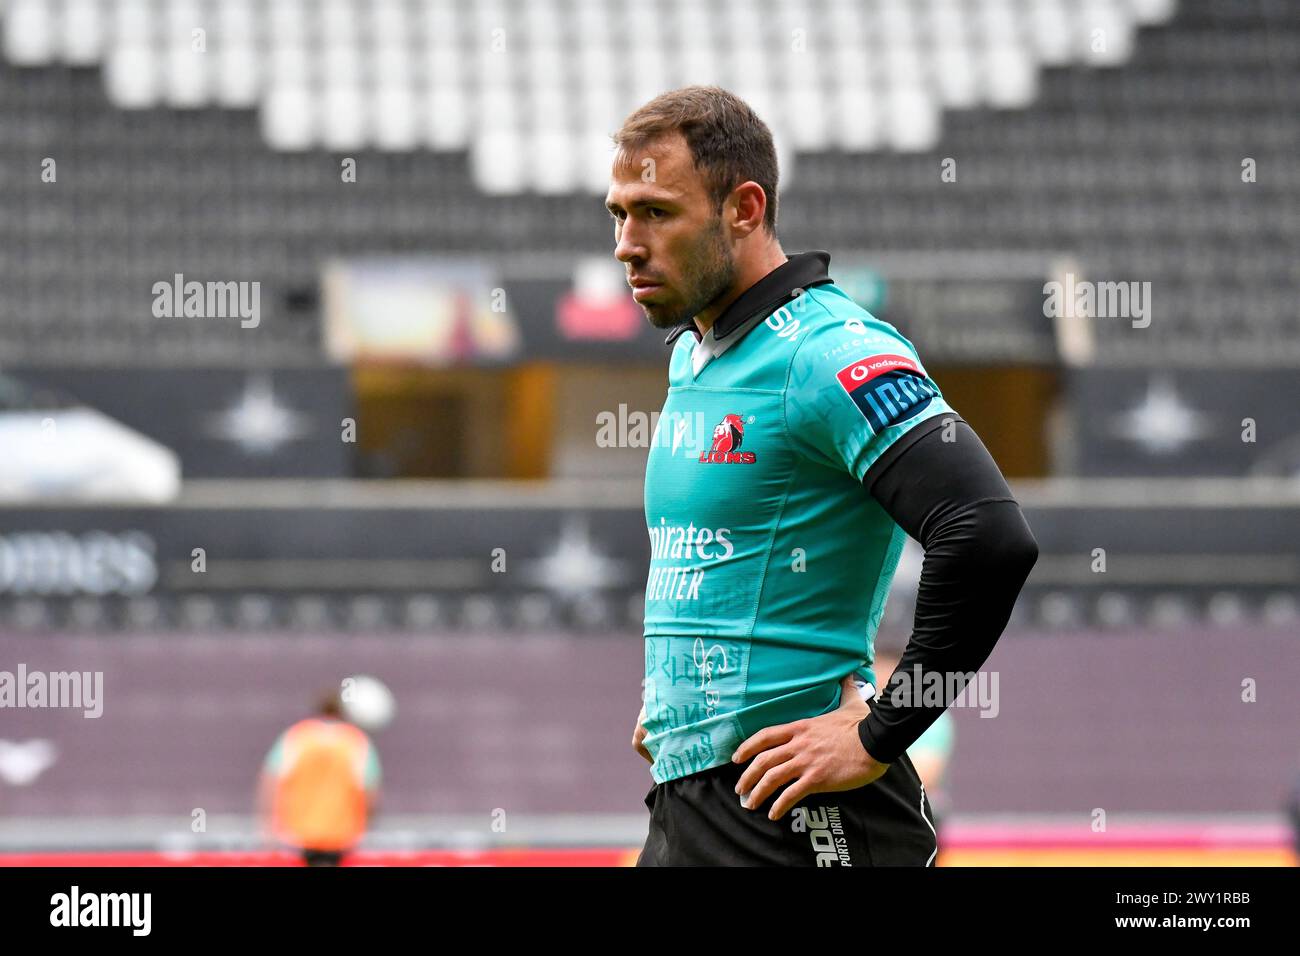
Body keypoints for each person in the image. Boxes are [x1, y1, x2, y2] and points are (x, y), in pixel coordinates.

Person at [611, 86, 1038, 866]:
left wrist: (884, 729)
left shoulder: (828, 350)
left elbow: (987, 535)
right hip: (697, 797)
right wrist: (680, 711)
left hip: (799, 818)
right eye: (619, 214)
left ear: (744, 207)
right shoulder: (696, 356)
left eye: (656, 212)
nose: (627, 243)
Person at [258, 689, 382, 866]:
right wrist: (366, 827)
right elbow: (370, 791)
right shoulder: (356, 741)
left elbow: (270, 780)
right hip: (341, 835)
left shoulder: (296, 737)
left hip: (300, 833)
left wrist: (269, 827)